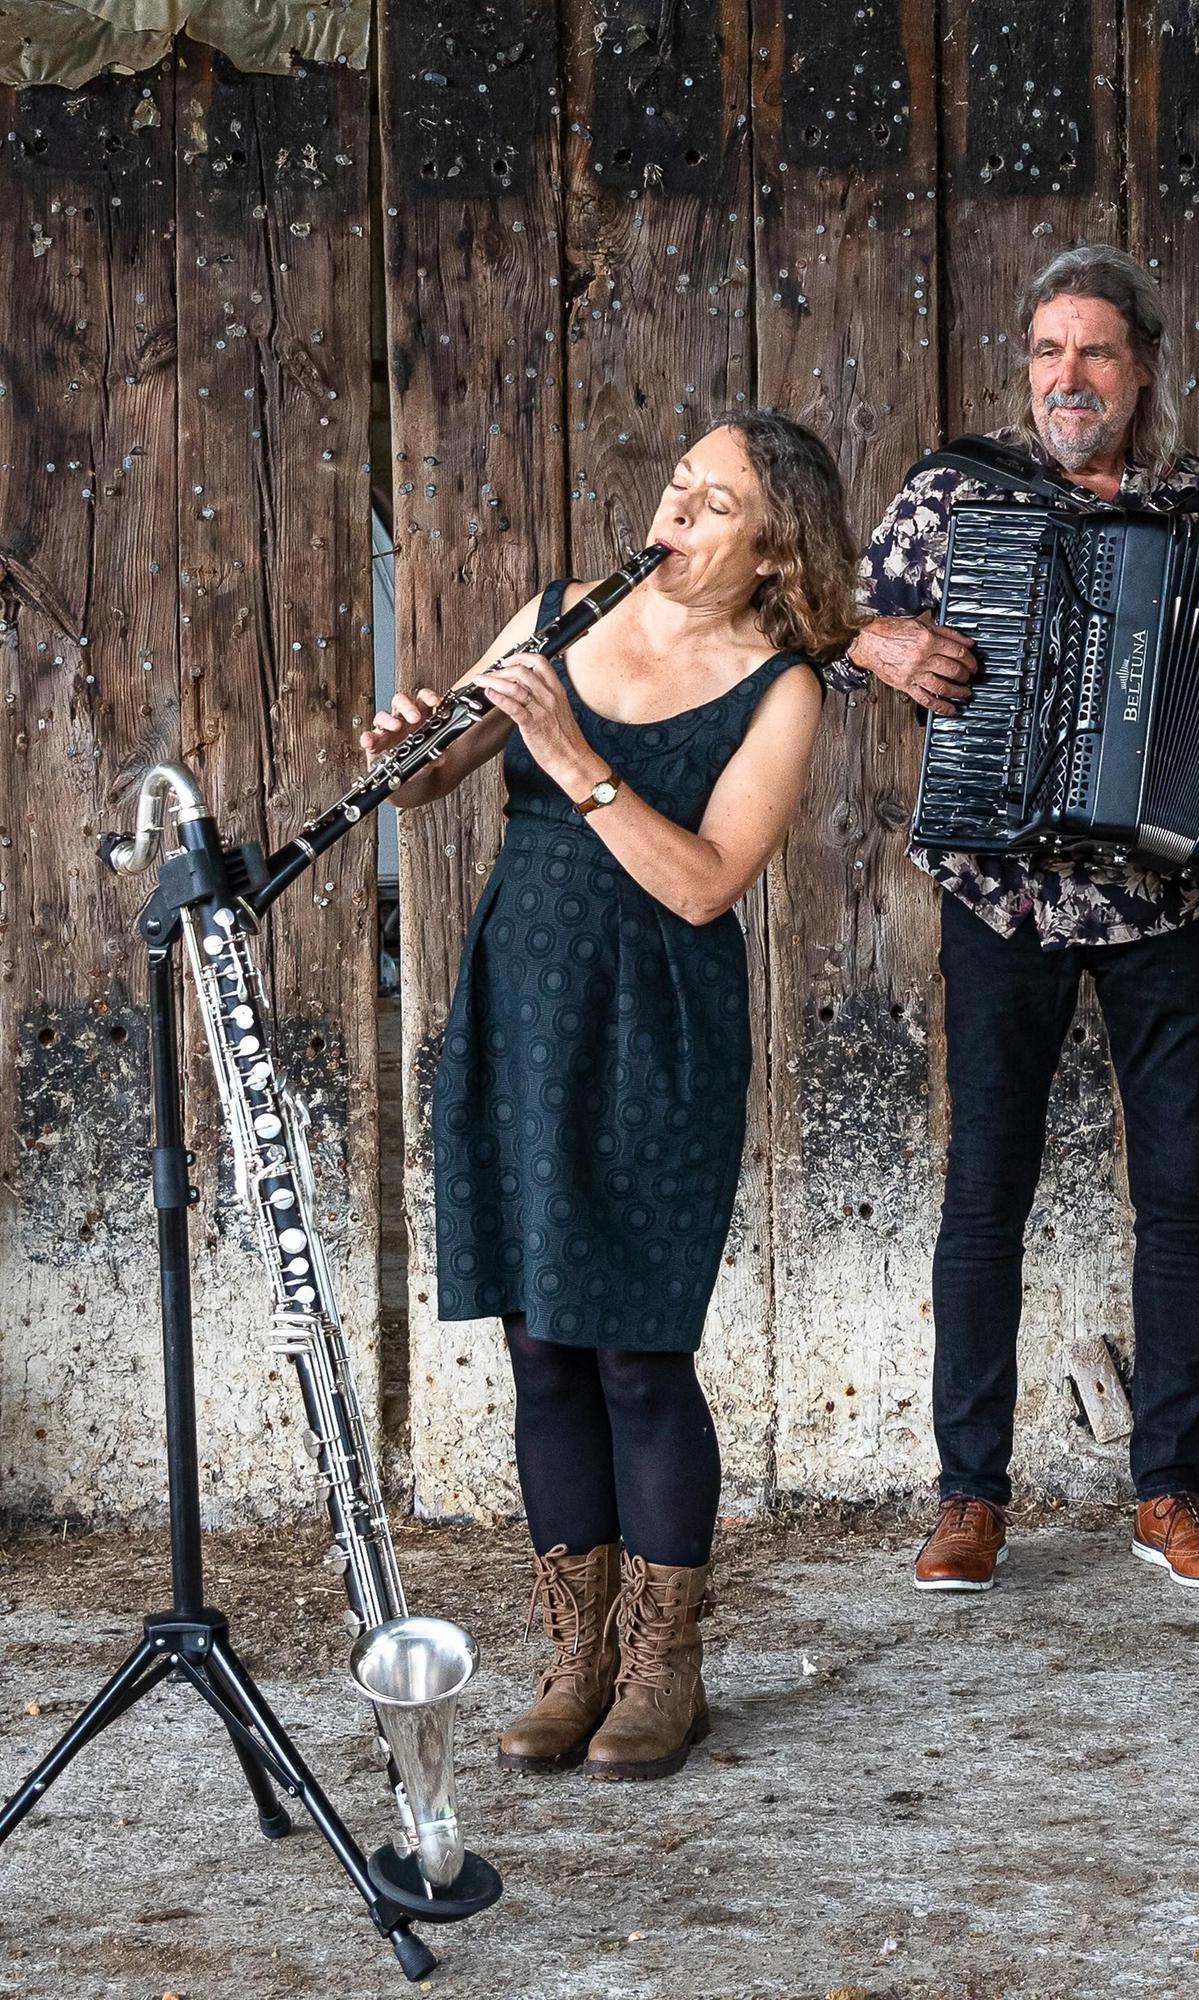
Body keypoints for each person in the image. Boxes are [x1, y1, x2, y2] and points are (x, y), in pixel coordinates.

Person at [832, 244, 1199, 1592]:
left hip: (1162, 901)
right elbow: (817, 619)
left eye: (1096, 352)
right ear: (1028, 368)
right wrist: (876, 639)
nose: (1068, 377)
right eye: (1048, 352)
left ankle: (1169, 1491)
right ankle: (968, 1500)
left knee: (1180, 1197)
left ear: (1140, 370)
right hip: (1001, 895)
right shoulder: (959, 491)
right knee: (984, 1194)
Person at [361, 410, 855, 1778]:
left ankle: (661, 1669)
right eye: (675, 487)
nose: (671, 518)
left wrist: (576, 755)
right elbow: (430, 781)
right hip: (522, 1004)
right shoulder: (560, 614)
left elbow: (705, 884)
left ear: (776, 550)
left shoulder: (782, 687)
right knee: (539, 1343)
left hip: (655, 1028)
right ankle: (574, 1660)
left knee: (635, 1349)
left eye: (712, 505)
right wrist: (410, 745)